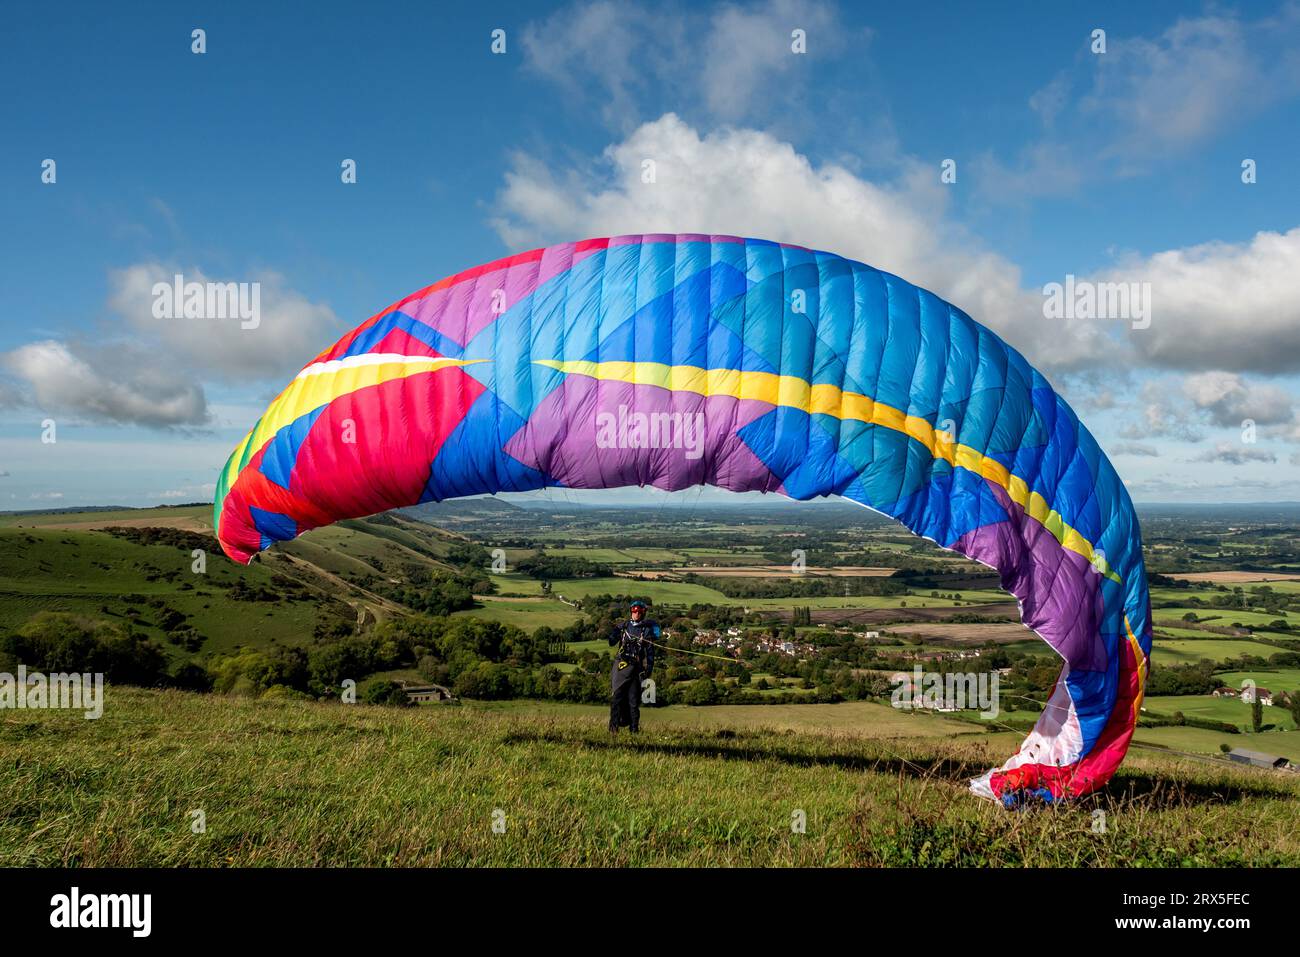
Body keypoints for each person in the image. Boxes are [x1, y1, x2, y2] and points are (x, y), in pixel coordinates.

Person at [608, 599, 658, 733]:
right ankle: (613, 729)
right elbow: (611, 642)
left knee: (633, 702)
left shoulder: (646, 631)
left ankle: (634, 731)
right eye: (634, 611)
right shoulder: (623, 627)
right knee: (616, 699)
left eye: (639, 611)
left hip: (636, 670)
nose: (636, 613)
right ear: (631, 612)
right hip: (621, 668)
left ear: (643, 613)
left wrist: (649, 669)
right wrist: (614, 633)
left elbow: (650, 653)